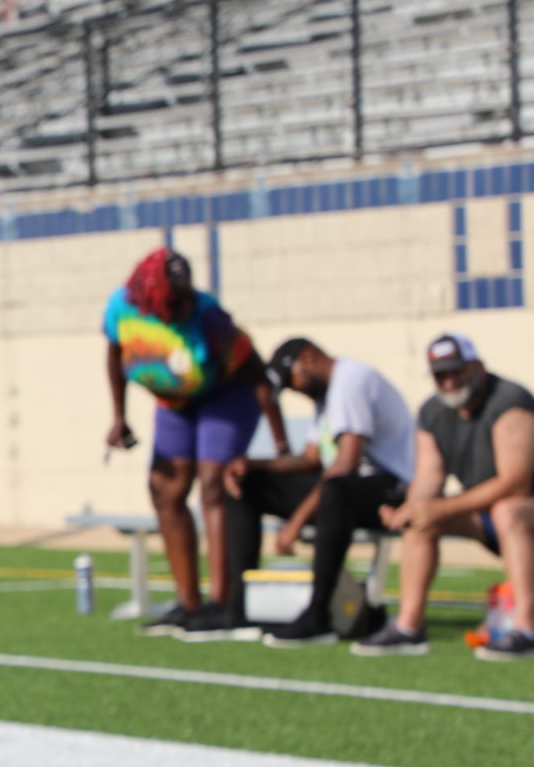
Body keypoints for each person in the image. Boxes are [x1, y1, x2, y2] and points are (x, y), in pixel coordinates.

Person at [103, 248, 288, 639]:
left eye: (188, 295)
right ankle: (188, 604)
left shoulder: (209, 318)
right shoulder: (122, 309)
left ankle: (221, 605)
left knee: (211, 485)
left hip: (227, 394)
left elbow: (259, 378)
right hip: (174, 401)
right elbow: (115, 355)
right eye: (176, 300)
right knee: (165, 491)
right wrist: (119, 417)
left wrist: (281, 442)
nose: (185, 304)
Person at [217, 338, 415, 646]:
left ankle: (318, 615)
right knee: (244, 485)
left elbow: (346, 464)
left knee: (335, 490)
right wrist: (250, 463)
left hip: (390, 488)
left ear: (308, 358)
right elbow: (310, 459)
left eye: (291, 380)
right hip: (347, 487)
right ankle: (240, 607)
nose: (293, 389)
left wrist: (295, 522)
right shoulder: (326, 396)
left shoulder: (351, 380)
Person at [351, 333, 534, 659]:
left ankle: (526, 627)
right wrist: (409, 511)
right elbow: (428, 479)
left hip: (522, 513)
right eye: (440, 374)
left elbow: (516, 483)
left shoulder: (509, 399)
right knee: (422, 521)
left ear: (476, 366)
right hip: (489, 517)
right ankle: (409, 628)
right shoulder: (433, 412)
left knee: (507, 509)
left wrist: (440, 507)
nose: (449, 381)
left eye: (456, 371)